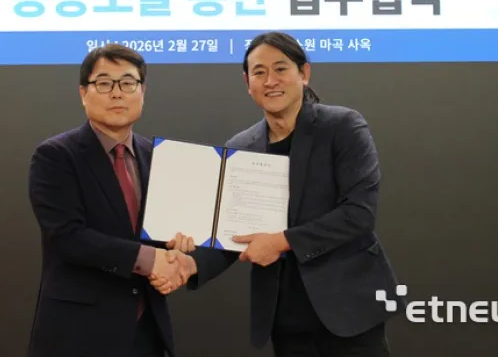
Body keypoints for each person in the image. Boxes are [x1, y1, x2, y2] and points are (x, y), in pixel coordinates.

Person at [158, 32, 406, 356]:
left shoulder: (343, 126)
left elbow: (359, 214)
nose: (270, 81)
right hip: (285, 317)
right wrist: (192, 264)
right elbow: (234, 232)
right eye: (259, 72)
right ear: (248, 83)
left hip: (350, 309)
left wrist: (280, 241)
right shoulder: (240, 147)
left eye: (280, 69)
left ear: (304, 73)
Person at [27, 43, 190, 357]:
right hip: (79, 333)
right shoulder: (55, 156)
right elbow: (67, 237)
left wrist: (178, 252)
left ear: (142, 91)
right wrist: (150, 259)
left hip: (147, 331)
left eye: (128, 83)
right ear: (83, 93)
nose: (117, 93)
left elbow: (162, 233)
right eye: (104, 83)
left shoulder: (158, 156)